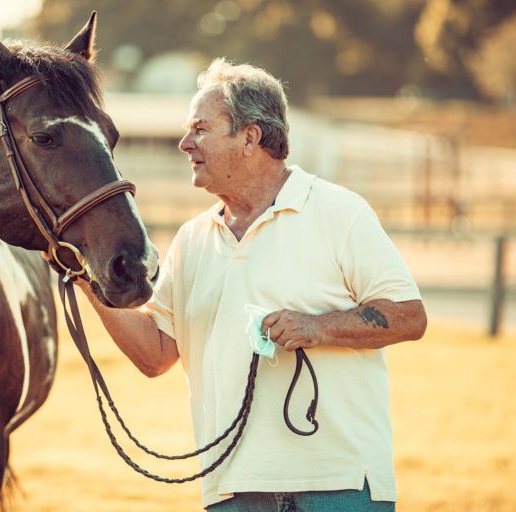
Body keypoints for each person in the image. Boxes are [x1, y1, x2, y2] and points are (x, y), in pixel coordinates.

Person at [76, 58, 427, 512]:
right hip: (232, 490)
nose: (185, 144)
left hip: (340, 484)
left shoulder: (339, 212)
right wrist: (84, 273)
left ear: (250, 136)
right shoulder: (193, 240)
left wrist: (317, 328)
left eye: (200, 129)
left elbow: (409, 316)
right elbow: (155, 355)